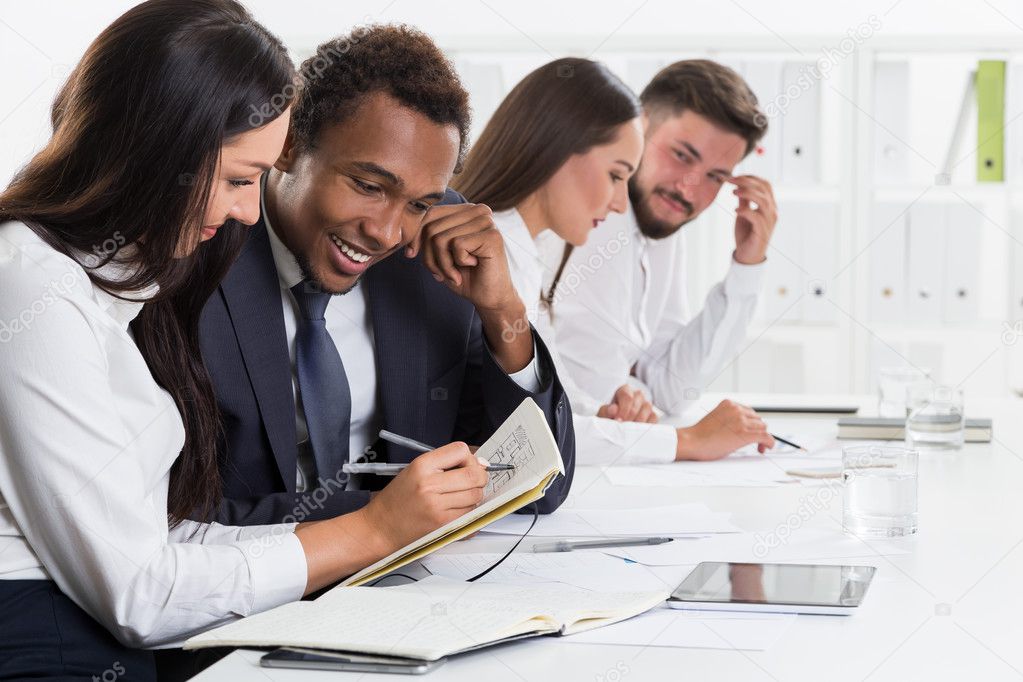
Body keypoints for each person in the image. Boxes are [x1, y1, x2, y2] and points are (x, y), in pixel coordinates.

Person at [0, 2, 483, 677]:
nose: (247, 211)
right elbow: (140, 593)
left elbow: (160, 538)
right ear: (157, 148)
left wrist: (364, 534)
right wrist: (370, 531)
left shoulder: (107, 290)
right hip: (45, 642)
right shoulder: (32, 287)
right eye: (237, 179)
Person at [194, 24, 574, 526]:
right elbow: (180, 517)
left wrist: (504, 312)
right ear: (288, 147)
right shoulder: (199, 246)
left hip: (417, 588)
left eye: (418, 203)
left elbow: (541, 486)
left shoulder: (434, 255)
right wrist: (379, 518)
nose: (387, 233)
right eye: (369, 185)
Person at [454, 58, 775, 465]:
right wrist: (684, 440)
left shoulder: (652, 237)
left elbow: (577, 400)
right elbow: (534, 431)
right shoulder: (548, 234)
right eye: (681, 154)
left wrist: (608, 410)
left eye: (716, 175)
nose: (690, 187)